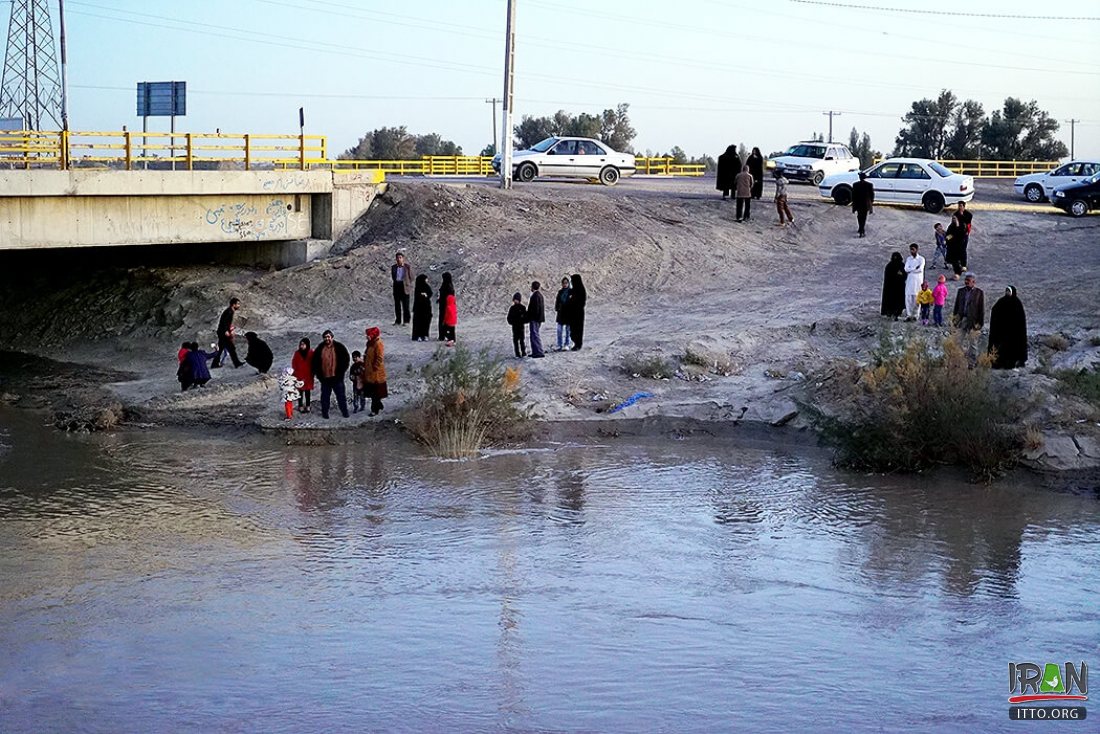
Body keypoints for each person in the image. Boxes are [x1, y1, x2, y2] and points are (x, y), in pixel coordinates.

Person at [311, 329, 351, 419]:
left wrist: (341, 373)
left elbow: (346, 360)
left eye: (328, 337)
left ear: (332, 337)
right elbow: (315, 363)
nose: (327, 339)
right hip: (325, 379)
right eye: (325, 337)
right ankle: (325, 413)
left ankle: (345, 412)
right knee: (325, 398)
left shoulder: (339, 347)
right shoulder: (320, 348)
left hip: (337, 378)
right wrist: (319, 376)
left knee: (341, 397)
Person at [987, 286, 1028, 369]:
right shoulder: (1001, 301)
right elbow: (994, 310)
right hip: (1002, 331)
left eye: (1009, 291)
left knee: (1012, 348)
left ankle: (1012, 363)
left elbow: (1020, 319)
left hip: (1013, 332)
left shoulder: (1017, 303)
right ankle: (998, 363)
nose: (1007, 293)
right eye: (1006, 291)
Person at [212, 297, 243, 368]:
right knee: (230, 348)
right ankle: (236, 363)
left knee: (223, 349)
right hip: (223, 333)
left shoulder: (230, 311)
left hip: (222, 332)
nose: (239, 306)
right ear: (233, 304)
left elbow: (227, 323)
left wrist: (230, 330)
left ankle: (215, 364)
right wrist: (226, 331)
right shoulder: (229, 311)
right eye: (237, 304)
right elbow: (224, 322)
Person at [364, 326, 388, 416]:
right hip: (370, 372)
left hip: (376, 373)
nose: (367, 336)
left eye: (368, 335)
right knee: (374, 392)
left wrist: (374, 367)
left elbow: (379, 357)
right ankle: (379, 405)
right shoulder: (370, 343)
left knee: (375, 393)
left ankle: (374, 410)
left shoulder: (378, 344)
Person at [903, 243, 926, 322]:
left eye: (913, 249)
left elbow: (920, 269)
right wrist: (914, 268)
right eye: (910, 249)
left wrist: (911, 269)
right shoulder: (909, 259)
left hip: (918, 281)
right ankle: (909, 315)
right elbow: (906, 269)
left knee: (917, 298)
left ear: (916, 249)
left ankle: (916, 315)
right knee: (908, 297)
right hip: (910, 281)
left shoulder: (921, 259)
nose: (911, 251)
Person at [291, 338, 314, 413]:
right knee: (300, 392)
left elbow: (315, 362)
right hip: (299, 375)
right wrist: (295, 374)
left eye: (303, 344)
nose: (302, 346)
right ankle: (300, 405)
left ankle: (308, 405)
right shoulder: (297, 353)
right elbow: (294, 363)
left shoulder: (311, 352)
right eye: (301, 344)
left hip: (308, 375)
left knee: (308, 391)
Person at [880, 252, 906, 320]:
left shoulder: (901, 265)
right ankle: (890, 312)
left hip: (899, 287)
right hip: (891, 288)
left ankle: (897, 312)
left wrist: (901, 275)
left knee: (898, 300)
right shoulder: (889, 266)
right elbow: (888, 277)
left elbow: (905, 275)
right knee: (891, 300)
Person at [391, 252, 414, 326]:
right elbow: (393, 277)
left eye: (400, 257)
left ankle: (406, 321)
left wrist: (407, 283)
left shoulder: (407, 267)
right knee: (397, 305)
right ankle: (398, 321)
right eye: (397, 258)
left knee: (406, 305)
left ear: (403, 258)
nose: (399, 259)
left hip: (405, 287)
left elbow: (412, 277)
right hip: (397, 286)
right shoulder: (393, 267)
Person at [944, 211, 968, 280]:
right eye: (953, 218)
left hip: (959, 245)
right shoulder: (951, 226)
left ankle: (959, 271)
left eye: (955, 218)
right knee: (954, 261)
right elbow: (949, 234)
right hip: (952, 246)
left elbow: (961, 235)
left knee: (958, 259)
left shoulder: (962, 225)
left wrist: (957, 227)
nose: (954, 220)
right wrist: (948, 238)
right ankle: (957, 273)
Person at [851, 172, 874, 238]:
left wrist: (853, 203)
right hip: (865, 203)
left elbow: (853, 195)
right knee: (864, 216)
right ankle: (862, 229)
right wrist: (871, 202)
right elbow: (872, 195)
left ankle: (860, 228)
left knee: (859, 216)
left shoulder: (855, 185)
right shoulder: (869, 185)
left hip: (858, 203)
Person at [568, 273, 587, 350]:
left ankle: (578, 344)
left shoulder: (581, 290)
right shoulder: (573, 290)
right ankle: (575, 343)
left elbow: (581, 302)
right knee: (573, 329)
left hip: (578, 313)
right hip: (573, 313)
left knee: (578, 329)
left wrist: (572, 302)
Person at [411, 274, 433, 342]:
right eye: (426, 279)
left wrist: (426, 295)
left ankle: (425, 335)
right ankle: (418, 336)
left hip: (426, 308)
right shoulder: (418, 287)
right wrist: (422, 295)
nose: (427, 280)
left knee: (426, 322)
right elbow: (417, 297)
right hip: (419, 309)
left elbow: (430, 293)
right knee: (419, 322)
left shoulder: (427, 287)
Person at [528, 281, 546, 358]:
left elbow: (536, 309)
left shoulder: (536, 296)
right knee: (534, 335)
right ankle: (535, 351)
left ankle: (539, 351)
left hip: (535, 319)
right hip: (537, 318)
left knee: (535, 335)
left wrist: (530, 317)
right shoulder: (539, 295)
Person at [507, 292, 528, 358]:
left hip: (521, 326)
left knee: (522, 340)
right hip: (515, 326)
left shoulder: (522, 308)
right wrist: (512, 322)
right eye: (514, 299)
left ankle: (523, 352)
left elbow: (526, 317)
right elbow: (509, 317)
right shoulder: (512, 308)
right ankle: (517, 353)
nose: (515, 301)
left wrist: (522, 321)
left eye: (516, 299)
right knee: (515, 340)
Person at [555, 276, 572, 351]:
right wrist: (557, 308)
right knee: (559, 329)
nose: (565, 284)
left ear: (568, 283)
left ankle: (567, 344)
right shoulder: (560, 292)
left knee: (568, 330)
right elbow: (557, 300)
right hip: (561, 313)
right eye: (563, 283)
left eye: (566, 283)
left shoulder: (571, 292)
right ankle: (559, 344)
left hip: (569, 313)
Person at [438, 271, 456, 342]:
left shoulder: (447, 286)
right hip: (447, 306)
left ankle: (443, 335)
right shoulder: (450, 286)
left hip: (445, 307)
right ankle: (447, 335)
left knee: (444, 321)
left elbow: (446, 297)